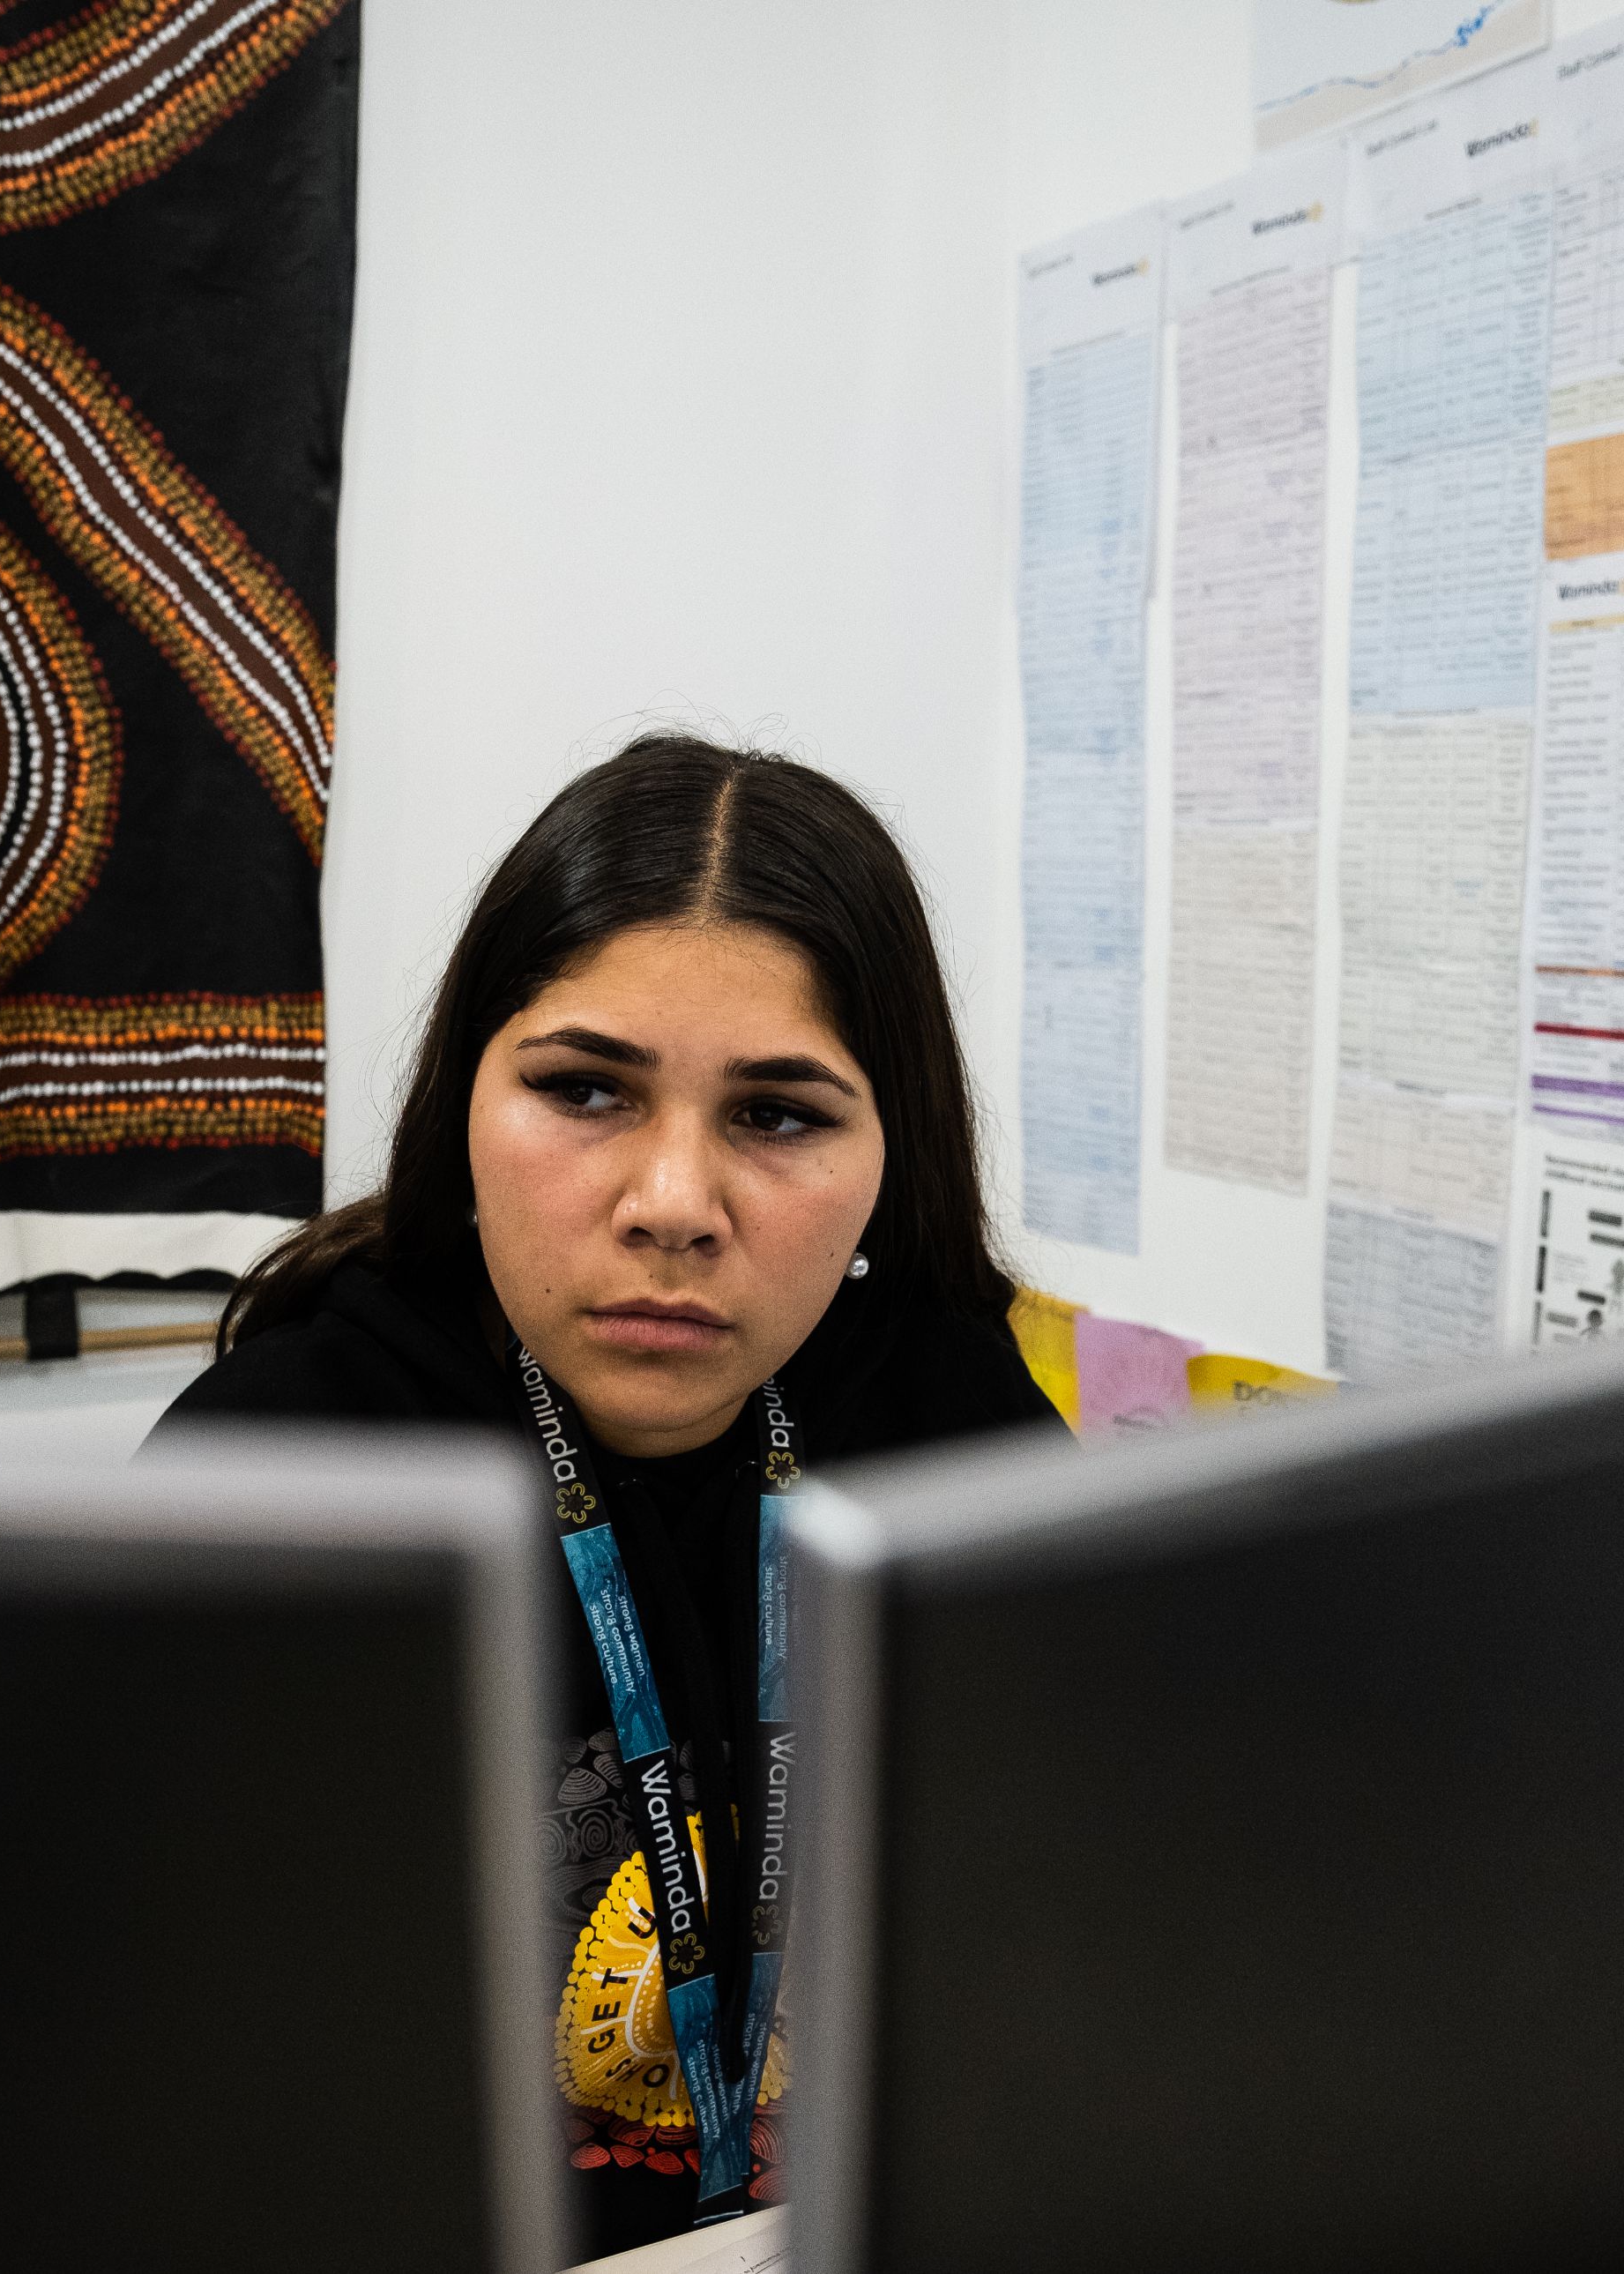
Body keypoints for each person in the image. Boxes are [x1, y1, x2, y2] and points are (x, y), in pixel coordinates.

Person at [151, 732, 1064, 2256]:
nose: (673, 1208)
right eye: (585, 1091)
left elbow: (1092, 1920)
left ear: (889, 1155)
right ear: (465, 1100)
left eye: (779, 1116)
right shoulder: (284, 1471)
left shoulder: (946, 1415)